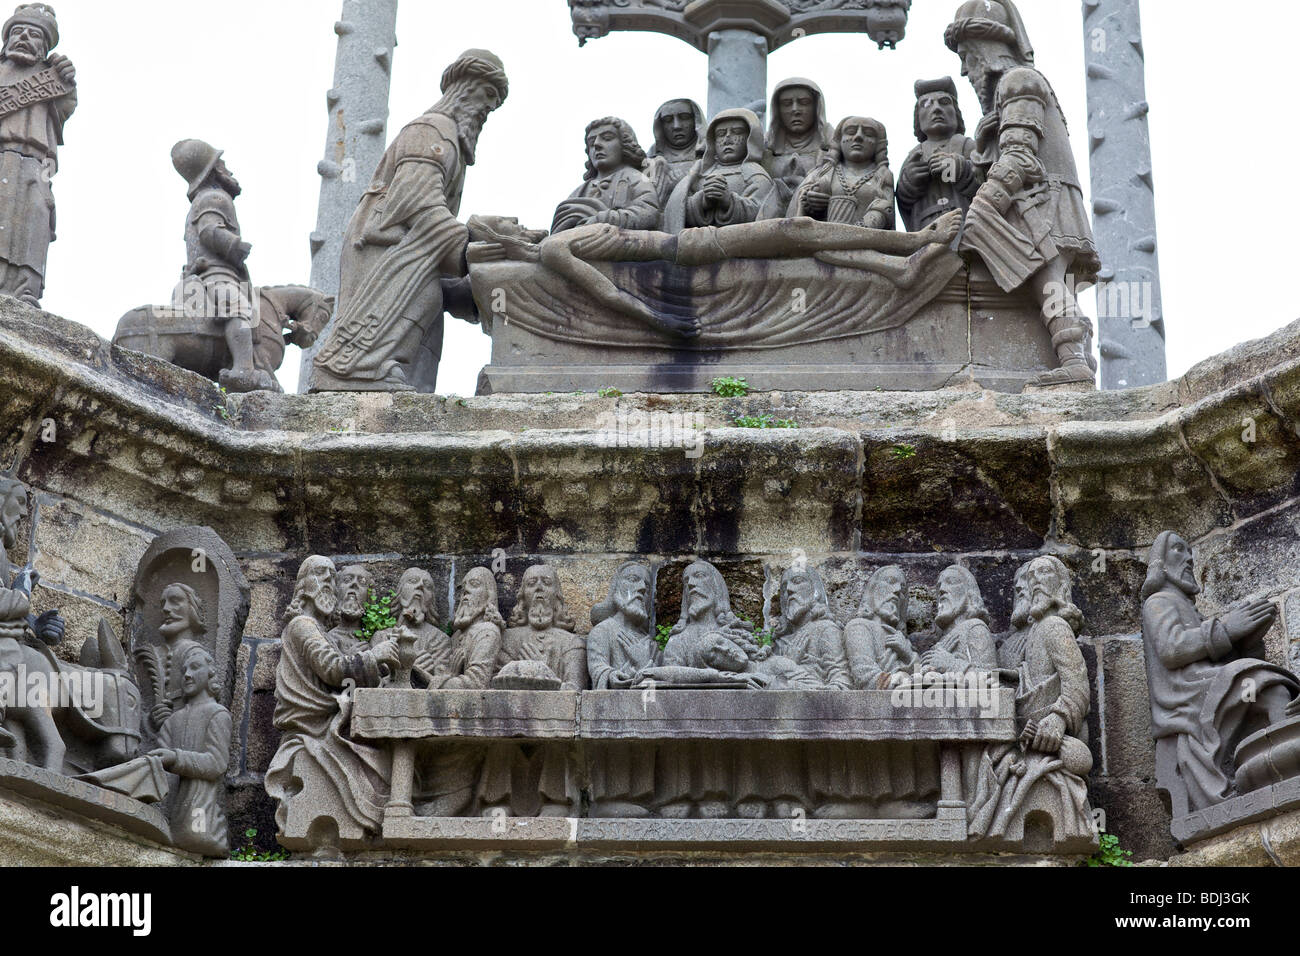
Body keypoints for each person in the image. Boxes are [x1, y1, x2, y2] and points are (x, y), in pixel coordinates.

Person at [309, 50, 508, 393]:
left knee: (421, 340)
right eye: (488, 94)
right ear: (464, 87)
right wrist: (472, 245)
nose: (489, 108)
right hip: (386, 255)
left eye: (496, 100)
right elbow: (417, 205)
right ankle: (356, 370)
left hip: (416, 258)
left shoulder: (451, 142)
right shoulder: (432, 131)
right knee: (415, 308)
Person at [946, 0, 1100, 385]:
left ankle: (1074, 365)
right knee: (1054, 282)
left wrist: (987, 201)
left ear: (983, 46)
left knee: (1048, 279)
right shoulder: (1013, 86)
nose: (965, 69)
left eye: (966, 56)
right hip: (1037, 200)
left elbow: (1021, 155)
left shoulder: (1018, 82)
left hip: (1040, 204)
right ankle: (1076, 360)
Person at [1141, 531, 1299, 813]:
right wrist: (1226, 629)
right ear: (1160, 564)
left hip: (1208, 685)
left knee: (1268, 687)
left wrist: (1249, 639)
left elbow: (1224, 659)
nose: (1188, 557)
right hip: (1185, 694)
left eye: (1190, 551)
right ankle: (1284, 768)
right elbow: (1172, 649)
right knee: (1266, 686)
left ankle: (1280, 763)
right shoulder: (1158, 602)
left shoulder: (1195, 614)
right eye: (1178, 550)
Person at [264, 556, 401, 839]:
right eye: (319, 574)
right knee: (383, 769)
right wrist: (375, 656)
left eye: (330, 575)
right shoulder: (302, 625)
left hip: (323, 722)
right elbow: (333, 669)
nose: (327, 580)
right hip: (314, 727)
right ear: (303, 587)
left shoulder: (317, 629)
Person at [169, 140, 272, 393]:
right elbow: (209, 230)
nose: (228, 170)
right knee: (239, 308)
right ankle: (243, 370)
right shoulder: (214, 197)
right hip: (216, 276)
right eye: (222, 164)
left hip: (204, 276)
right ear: (213, 170)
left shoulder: (204, 199)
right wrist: (234, 246)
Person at [0, 3, 75, 306]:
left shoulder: (50, 76)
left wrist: (66, 83)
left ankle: (24, 288)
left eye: (34, 35)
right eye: (18, 32)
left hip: (37, 161)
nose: (24, 38)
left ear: (44, 46)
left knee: (35, 214)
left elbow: (65, 110)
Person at [147, 645, 231, 856]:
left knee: (195, 834)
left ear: (210, 673)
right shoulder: (173, 721)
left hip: (199, 809)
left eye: (194, 668)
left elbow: (216, 763)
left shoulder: (217, 714)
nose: (187, 675)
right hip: (169, 810)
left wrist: (176, 758)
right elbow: (160, 768)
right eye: (184, 670)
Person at [665, 108, 781, 231]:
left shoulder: (754, 173)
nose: (727, 139)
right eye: (721, 134)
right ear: (712, 141)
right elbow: (676, 212)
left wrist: (729, 200)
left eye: (736, 132)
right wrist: (703, 201)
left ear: (750, 138)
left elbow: (764, 212)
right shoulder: (699, 173)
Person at [896, 77, 982, 232]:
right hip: (927, 225)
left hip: (967, 221)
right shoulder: (915, 155)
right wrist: (909, 182)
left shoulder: (967, 145)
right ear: (918, 117)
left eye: (944, 102)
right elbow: (903, 200)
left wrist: (961, 168)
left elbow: (989, 181)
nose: (936, 109)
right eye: (926, 104)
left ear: (956, 113)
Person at [552, 117, 660, 234]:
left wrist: (599, 219)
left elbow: (648, 213)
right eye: (591, 142)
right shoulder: (580, 191)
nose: (597, 144)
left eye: (607, 138)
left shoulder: (635, 177)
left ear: (625, 145)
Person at [789, 116, 895, 229]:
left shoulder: (882, 176)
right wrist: (809, 203)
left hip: (865, 241)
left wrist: (864, 226)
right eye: (850, 132)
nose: (858, 136)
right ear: (839, 140)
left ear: (878, 145)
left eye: (868, 134)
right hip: (823, 240)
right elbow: (797, 213)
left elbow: (887, 210)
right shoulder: (822, 173)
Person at [763, 78, 834, 206]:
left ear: (816, 107)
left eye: (804, 102)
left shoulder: (834, 146)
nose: (795, 110)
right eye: (786, 103)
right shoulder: (764, 147)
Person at [646, 98, 704, 207]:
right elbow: (642, 194)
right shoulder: (651, 156)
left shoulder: (709, 153)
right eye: (668, 120)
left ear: (695, 120)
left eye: (684, 118)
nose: (676, 126)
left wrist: (682, 184)